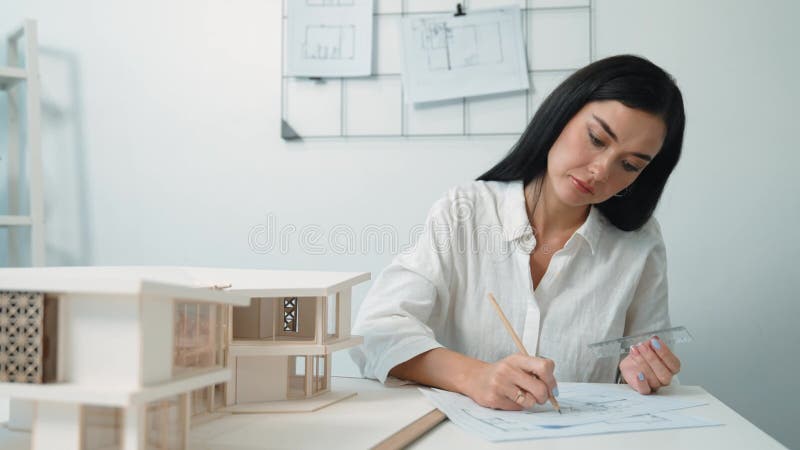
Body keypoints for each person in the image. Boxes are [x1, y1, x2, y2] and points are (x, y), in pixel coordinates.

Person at [350, 55, 686, 411]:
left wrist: (645, 375)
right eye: (596, 138)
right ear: (562, 115)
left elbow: (646, 372)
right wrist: (474, 377)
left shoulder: (639, 244)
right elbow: (375, 332)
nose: (601, 170)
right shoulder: (466, 211)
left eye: (630, 165)